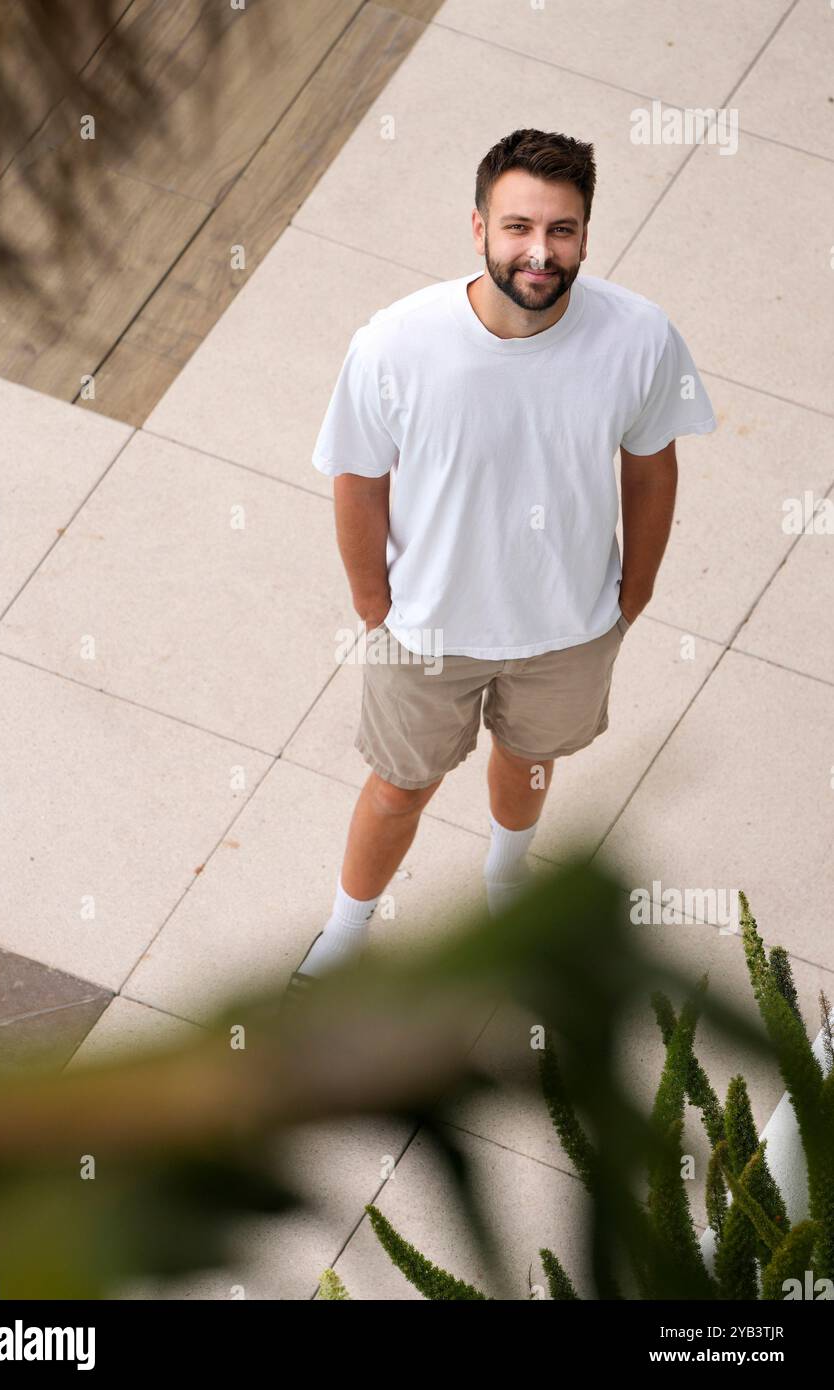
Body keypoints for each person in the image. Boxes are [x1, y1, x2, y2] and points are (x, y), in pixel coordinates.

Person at [284, 127, 716, 999]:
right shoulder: (396, 344)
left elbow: (652, 465)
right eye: (519, 226)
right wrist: (375, 602)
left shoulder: (638, 337)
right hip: (428, 629)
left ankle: (506, 880)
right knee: (399, 790)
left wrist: (635, 592)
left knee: (528, 765)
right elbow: (357, 477)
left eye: (562, 230)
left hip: (568, 626)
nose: (540, 251)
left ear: (586, 236)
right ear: (477, 226)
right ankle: (348, 928)